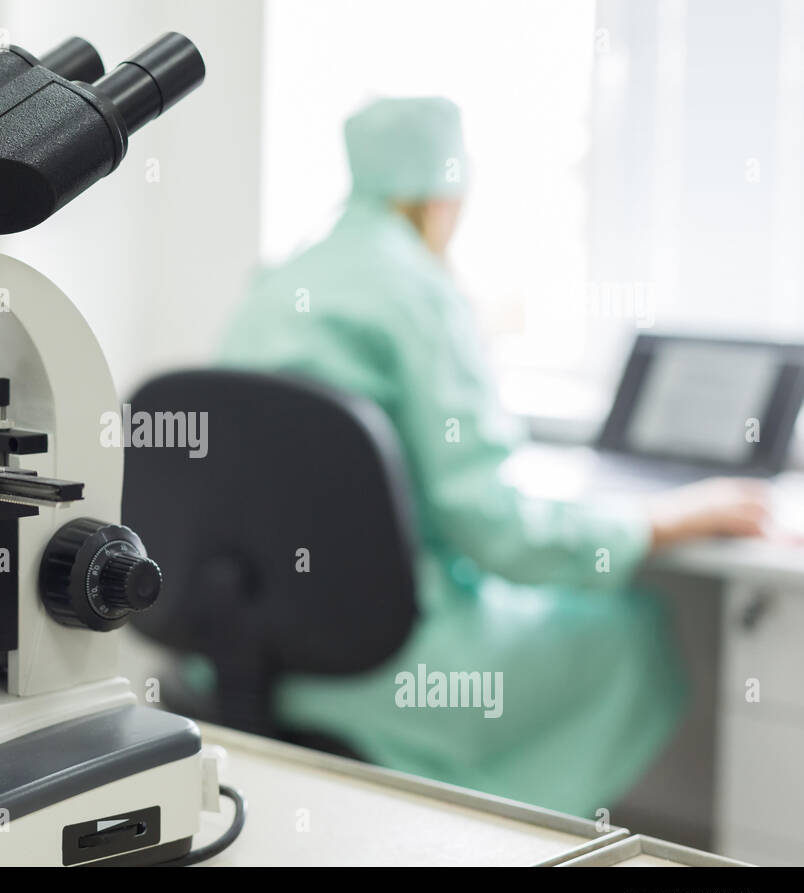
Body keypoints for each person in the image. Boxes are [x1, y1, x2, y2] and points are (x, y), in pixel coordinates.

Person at [219, 97, 768, 815]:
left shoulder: (282, 280)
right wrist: (654, 523)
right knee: (632, 624)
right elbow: (497, 530)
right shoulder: (419, 290)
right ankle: (504, 832)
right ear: (446, 195)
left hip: (256, 644)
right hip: (394, 669)